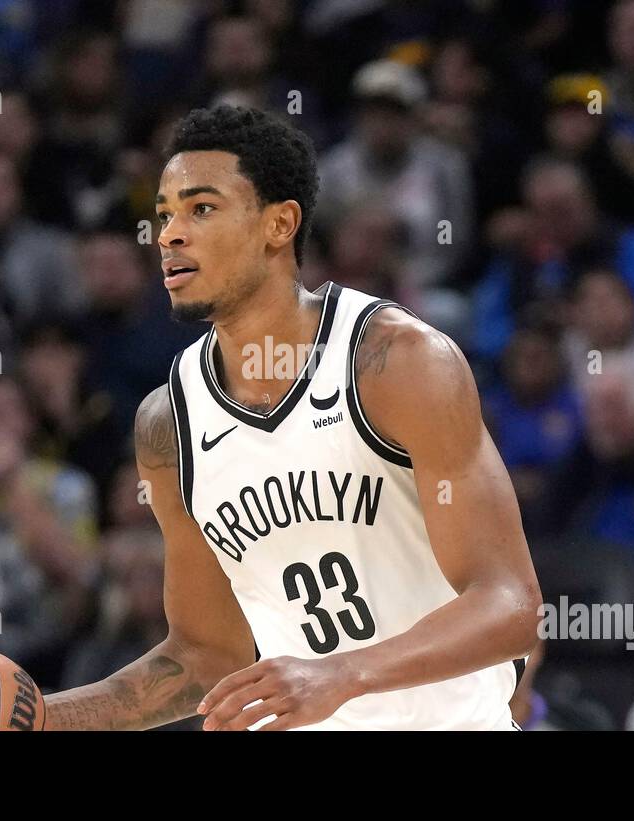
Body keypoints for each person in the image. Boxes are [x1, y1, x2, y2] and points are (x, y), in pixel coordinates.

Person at [44, 105, 541, 731]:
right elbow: (201, 659)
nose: (169, 234)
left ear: (280, 224)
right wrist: (32, 719)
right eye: (165, 212)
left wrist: (342, 673)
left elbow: (511, 605)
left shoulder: (397, 363)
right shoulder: (166, 424)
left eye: (201, 209)